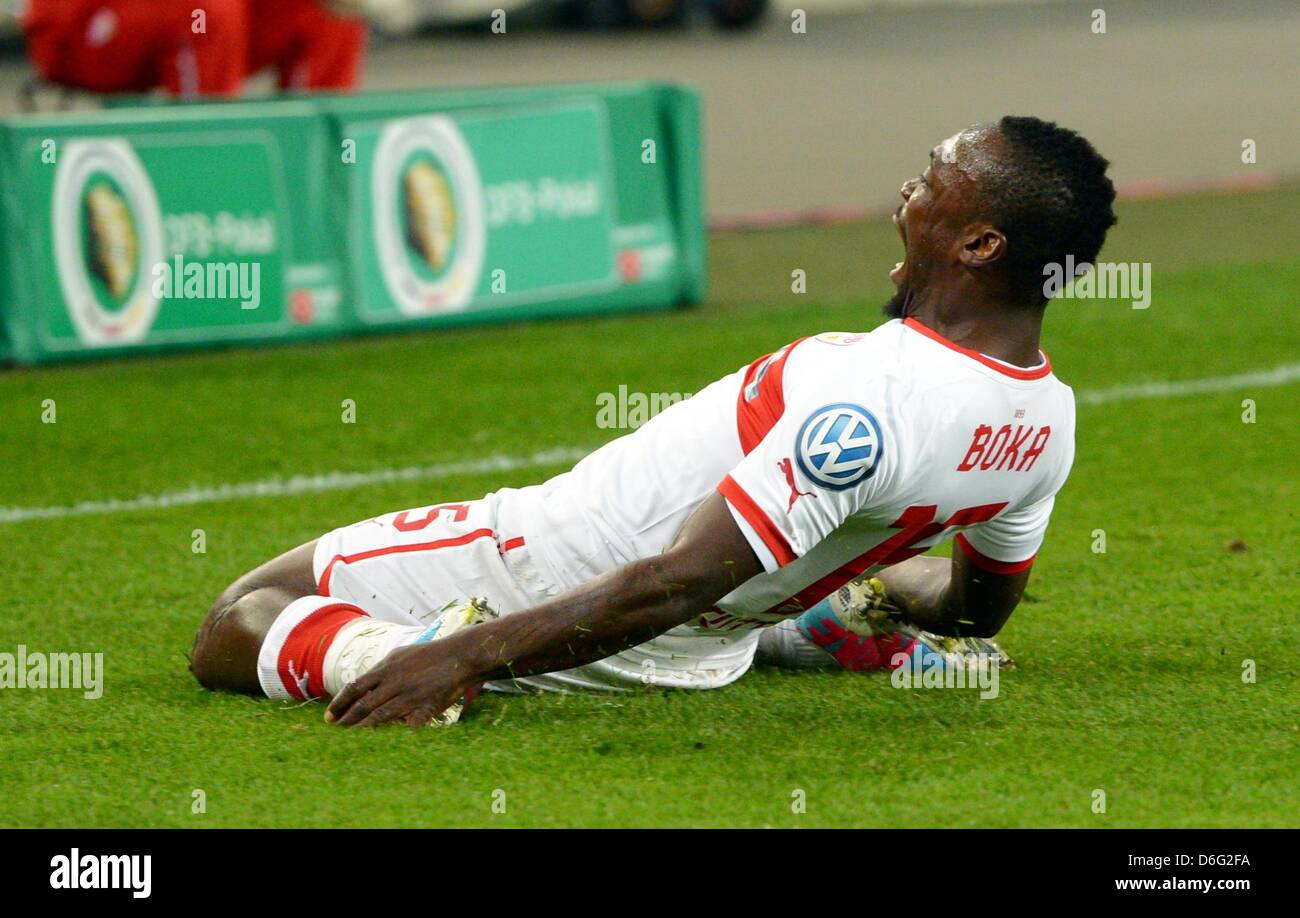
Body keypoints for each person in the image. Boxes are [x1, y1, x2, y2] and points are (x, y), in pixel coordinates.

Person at [190, 116, 1117, 728]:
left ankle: (403, 651)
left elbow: (671, 579)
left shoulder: (870, 392)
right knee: (800, 559)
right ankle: (816, 629)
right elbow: (973, 608)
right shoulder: (1050, 423)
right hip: (704, 654)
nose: (904, 196)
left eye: (931, 180)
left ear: (981, 243)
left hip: (550, 565)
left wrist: (460, 657)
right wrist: (872, 585)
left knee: (241, 616)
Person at [18, 0, 368, 98]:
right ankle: (205, 178)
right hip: (80, 24)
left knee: (337, 14)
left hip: (221, 26)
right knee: (206, 9)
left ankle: (311, 194)